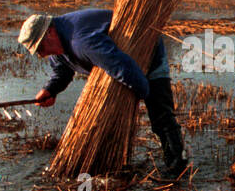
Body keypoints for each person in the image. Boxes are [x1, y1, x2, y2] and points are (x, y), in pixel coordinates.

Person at [18, 9, 189, 179]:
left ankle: (178, 167)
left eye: (40, 48)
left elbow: (121, 67)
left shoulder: (81, 41)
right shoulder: (59, 43)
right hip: (122, 61)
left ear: (49, 32)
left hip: (148, 52)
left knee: (161, 116)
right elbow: (62, 70)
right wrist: (50, 90)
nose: (41, 55)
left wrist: (143, 93)